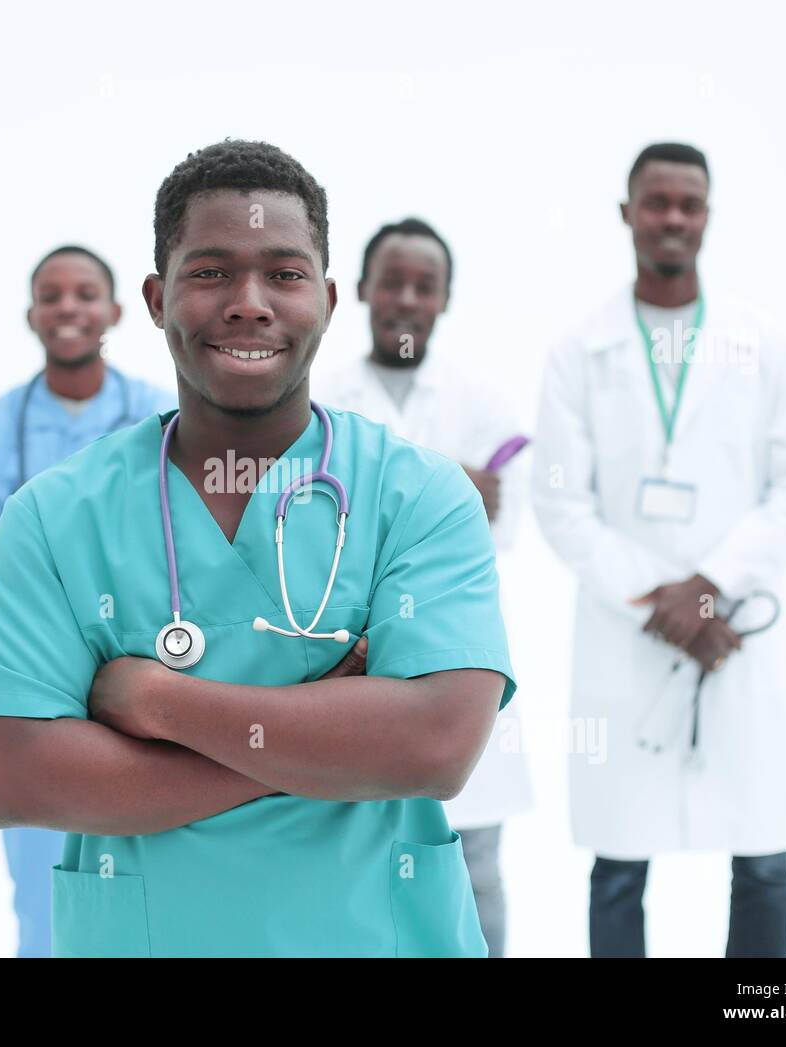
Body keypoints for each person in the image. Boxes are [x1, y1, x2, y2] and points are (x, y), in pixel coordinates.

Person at [0, 139, 517, 957]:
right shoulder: (55, 515)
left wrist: (157, 705)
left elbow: (433, 745)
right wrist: (325, 740)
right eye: (210, 272)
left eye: (283, 274)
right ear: (154, 298)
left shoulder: (418, 497)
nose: (249, 303)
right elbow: (10, 773)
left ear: (323, 298)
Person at [530, 143, 786, 958]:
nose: (671, 217)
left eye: (687, 204)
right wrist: (666, 599)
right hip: (629, 632)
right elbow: (559, 500)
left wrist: (707, 588)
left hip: (734, 627)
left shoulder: (761, 344)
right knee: (620, 864)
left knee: (764, 856)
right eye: (655, 201)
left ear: (706, 217)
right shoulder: (577, 351)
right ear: (626, 213)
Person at [0, 245, 173, 957]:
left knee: (168, 891)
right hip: (33, 694)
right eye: (52, 295)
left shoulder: (167, 421)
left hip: (155, 689)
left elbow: (197, 558)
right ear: (31, 314)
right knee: (48, 905)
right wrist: (102, 564)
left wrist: (32, 559)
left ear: (114, 310)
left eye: (84, 294)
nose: (68, 307)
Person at [313, 217, 532, 957]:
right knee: (352, 875)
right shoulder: (319, 397)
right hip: (346, 664)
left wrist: (386, 505)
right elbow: (315, 545)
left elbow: (498, 527)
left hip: (455, 659)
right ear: (363, 289)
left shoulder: (484, 401)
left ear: (444, 298)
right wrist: (450, 486)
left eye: (424, 285)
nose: (406, 298)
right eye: (392, 282)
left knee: (474, 872)